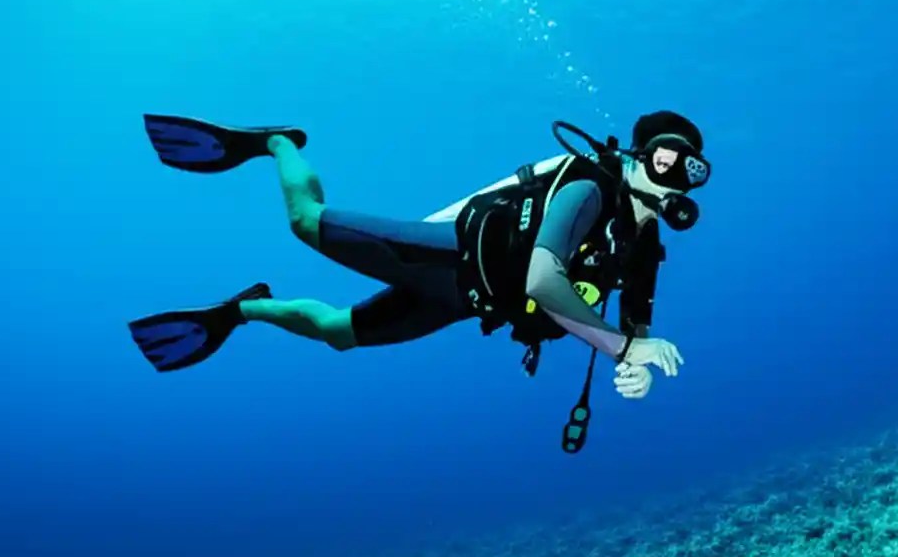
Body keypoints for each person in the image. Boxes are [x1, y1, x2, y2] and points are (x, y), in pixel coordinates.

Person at [128, 111, 710, 451]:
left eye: (691, 173)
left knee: (337, 331)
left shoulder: (643, 246)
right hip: (444, 254)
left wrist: (631, 363)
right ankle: (274, 143)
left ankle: (243, 310)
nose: (675, 180)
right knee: (306, 224)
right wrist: (624, 346)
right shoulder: (590, 188)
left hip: (463, 302)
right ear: (639, 156)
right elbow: (540, 279)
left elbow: (634, 323)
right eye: (666, 161)